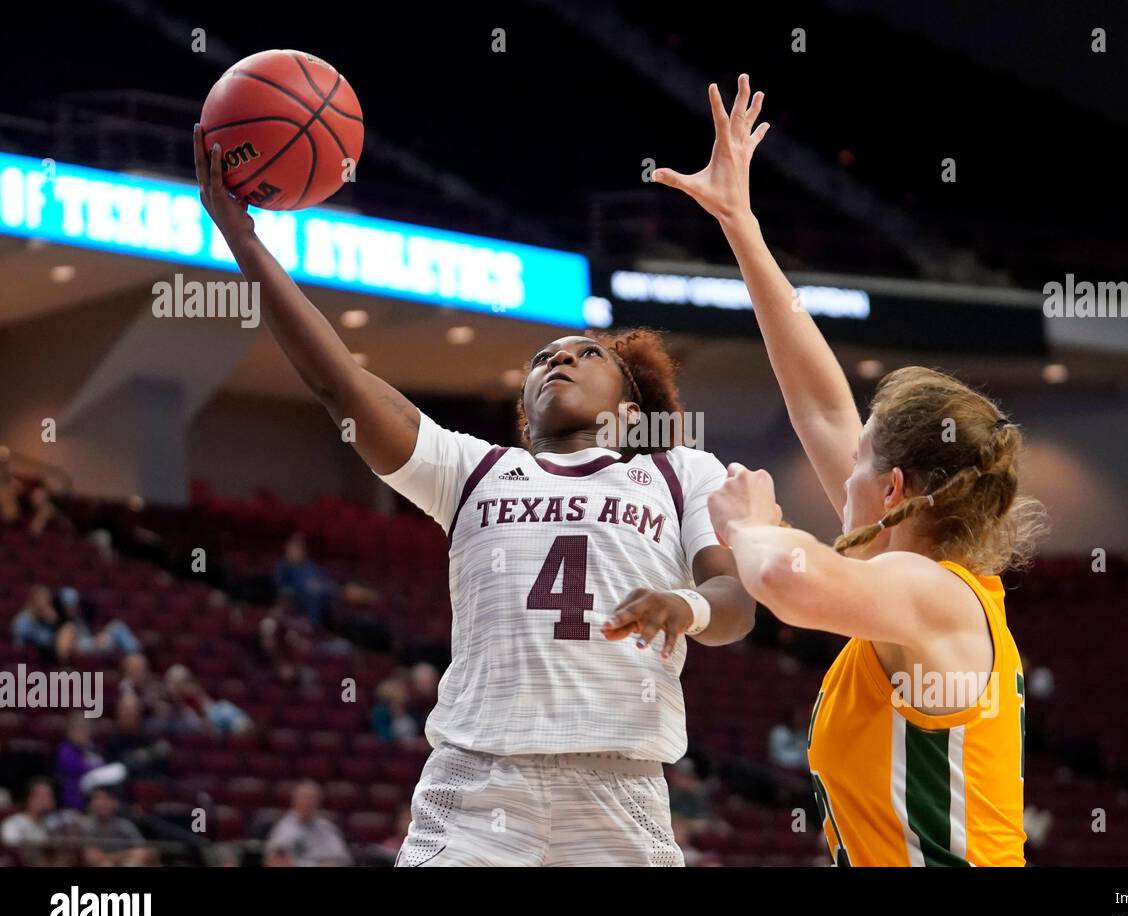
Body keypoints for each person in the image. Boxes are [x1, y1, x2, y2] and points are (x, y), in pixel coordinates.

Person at [194, 126, 757, 867]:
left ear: (629, 411)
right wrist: (244, 241)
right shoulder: (473, 470)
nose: (560, 359)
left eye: (586, 355)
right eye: (545, 357)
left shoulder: (679, 470)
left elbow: (735, 603)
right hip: (478, 781)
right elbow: (339, 386)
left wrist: (681, 606)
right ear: (523, 410)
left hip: (619, 785)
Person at [657, 75, 1045, 866]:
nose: (843, 471)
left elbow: (790, 583)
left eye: (862, 459)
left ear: (895, 491)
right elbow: (823, 409)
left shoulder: (933, 592)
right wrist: (742, 226)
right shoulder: (919, 574)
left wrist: (754, 525)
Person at [263, 781, 353, 867]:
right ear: (294, 801)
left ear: (318, 802)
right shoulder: (284, 828)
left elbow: (343, 858)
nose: (308, 802)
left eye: (312, 798)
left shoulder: (327, 827)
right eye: (304, 798)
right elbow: (273, 860)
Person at [0, 777, 56, 855]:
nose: (46, 799)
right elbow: (12, 849)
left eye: (49, 795)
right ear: (29, 798)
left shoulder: (52, 824)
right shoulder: (14, 823)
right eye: (41, 796)